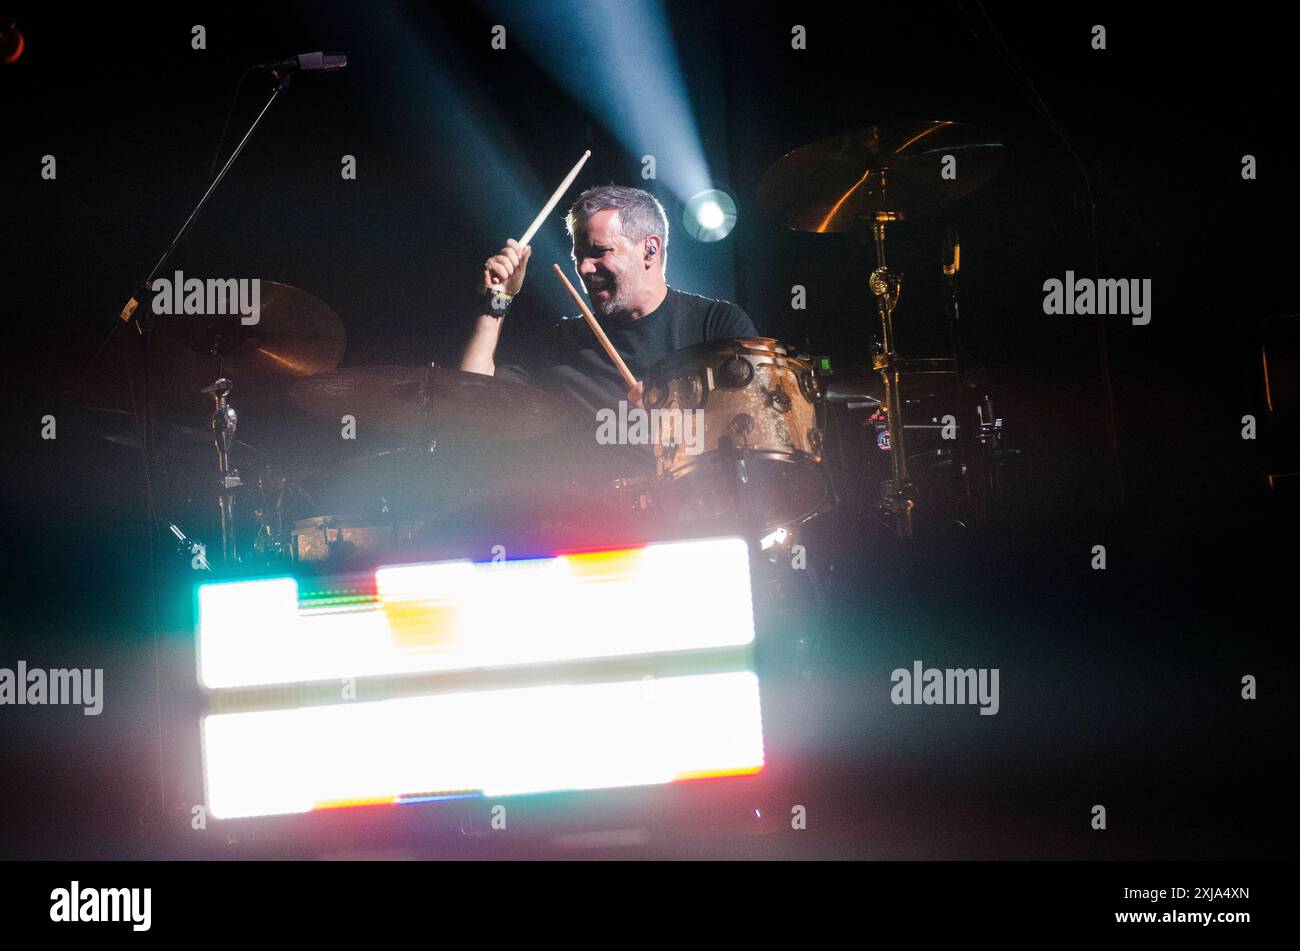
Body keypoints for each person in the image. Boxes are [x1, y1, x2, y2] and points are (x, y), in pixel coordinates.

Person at [458, 185, 756, 421]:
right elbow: (472, 401)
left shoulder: (717, 327)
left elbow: (759, 427)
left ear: (650, 250)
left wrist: (675, 422)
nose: (585, 268)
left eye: (599, 251)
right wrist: (495, 301)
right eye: (579, 256)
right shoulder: (565, 344)